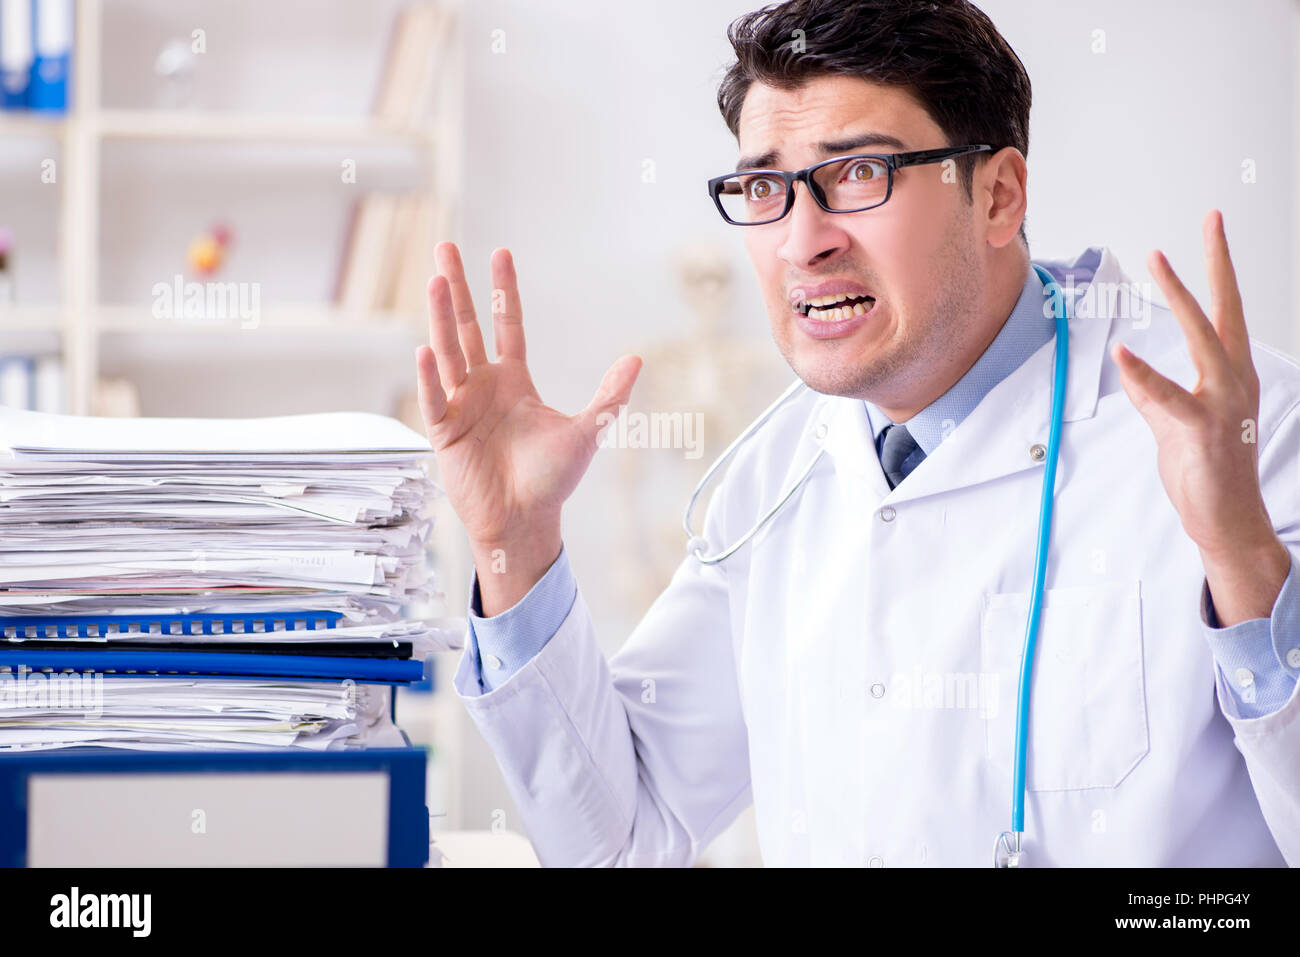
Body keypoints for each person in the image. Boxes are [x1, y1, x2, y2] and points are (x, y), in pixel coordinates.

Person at [413, 0, 1300, 866]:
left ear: (998, 194)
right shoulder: (776, 477)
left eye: (857, 174)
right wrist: (515, 547)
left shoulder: (1240, 431)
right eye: (765, 186)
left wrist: (1246, 564)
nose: (804, 242)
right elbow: (621, 835)